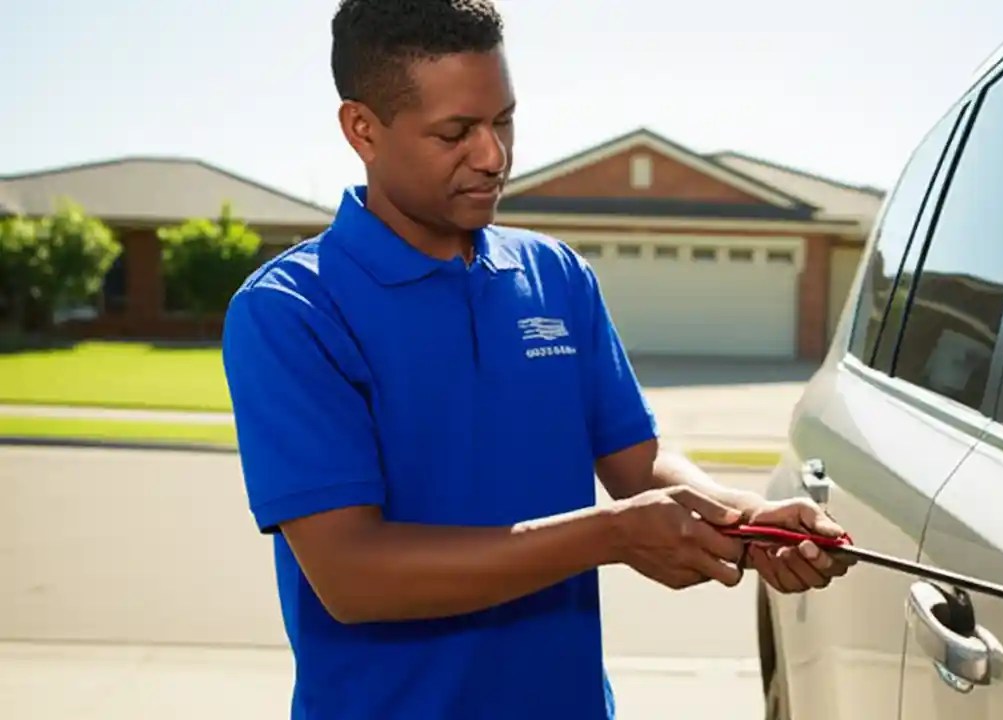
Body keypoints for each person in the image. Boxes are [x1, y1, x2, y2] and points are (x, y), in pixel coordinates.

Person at [220, 1, 851, 718]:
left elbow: (638, 465)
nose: (493, 156)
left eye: (503, 121)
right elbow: (354, 576)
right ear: (362, 129)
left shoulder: (554, 275)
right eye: (455, 132)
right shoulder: (292, 310)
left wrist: (752, 522)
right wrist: (611, 535)